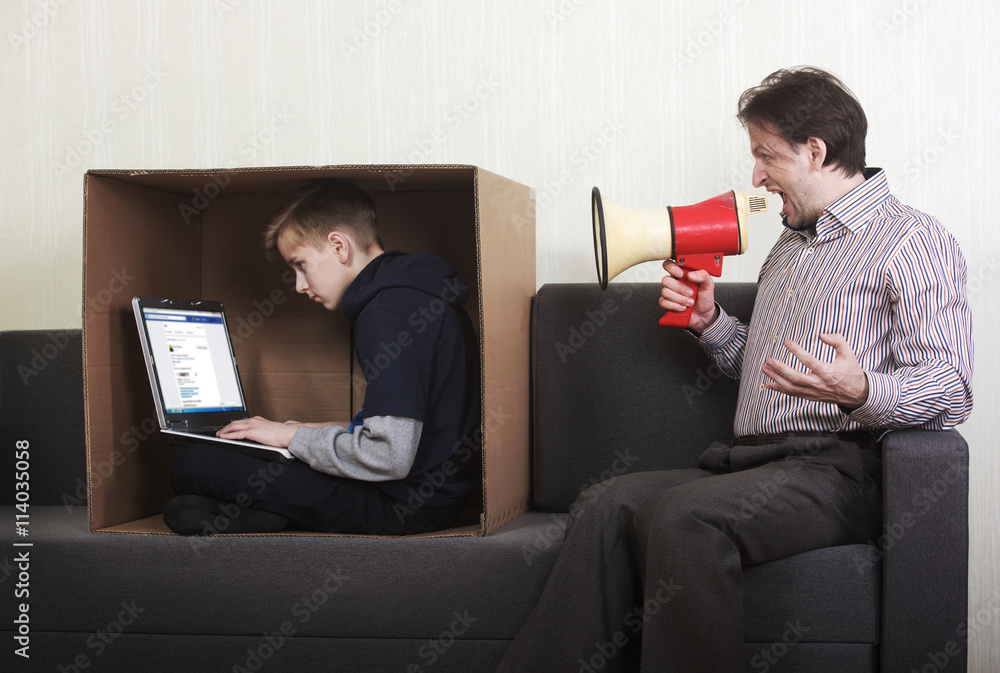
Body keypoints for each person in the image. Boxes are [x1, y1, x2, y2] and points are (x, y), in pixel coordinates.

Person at [496, 67, 973, 672]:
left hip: (843, 469)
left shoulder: (913, 240)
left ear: (816, 151)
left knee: (685, 517)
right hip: (755, 461)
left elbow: (953, 388)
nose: (756, 177)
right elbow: (766, 370)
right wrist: (709, 320)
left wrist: (861, 389)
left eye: (765, 156)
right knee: (605, 504)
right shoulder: (790, 246)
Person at [163, 180, 481, 536]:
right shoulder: (414, 293)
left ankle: (276, 510)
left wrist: (290, 440)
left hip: (404, 505)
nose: (299, 285)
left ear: (338, 246)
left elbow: (387, 457)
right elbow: (409, 430)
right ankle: (269, 512)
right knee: (217, 476)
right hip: (431, 497)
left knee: (191, 465)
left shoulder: (385, 313)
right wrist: (299, 430)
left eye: (300, 265)